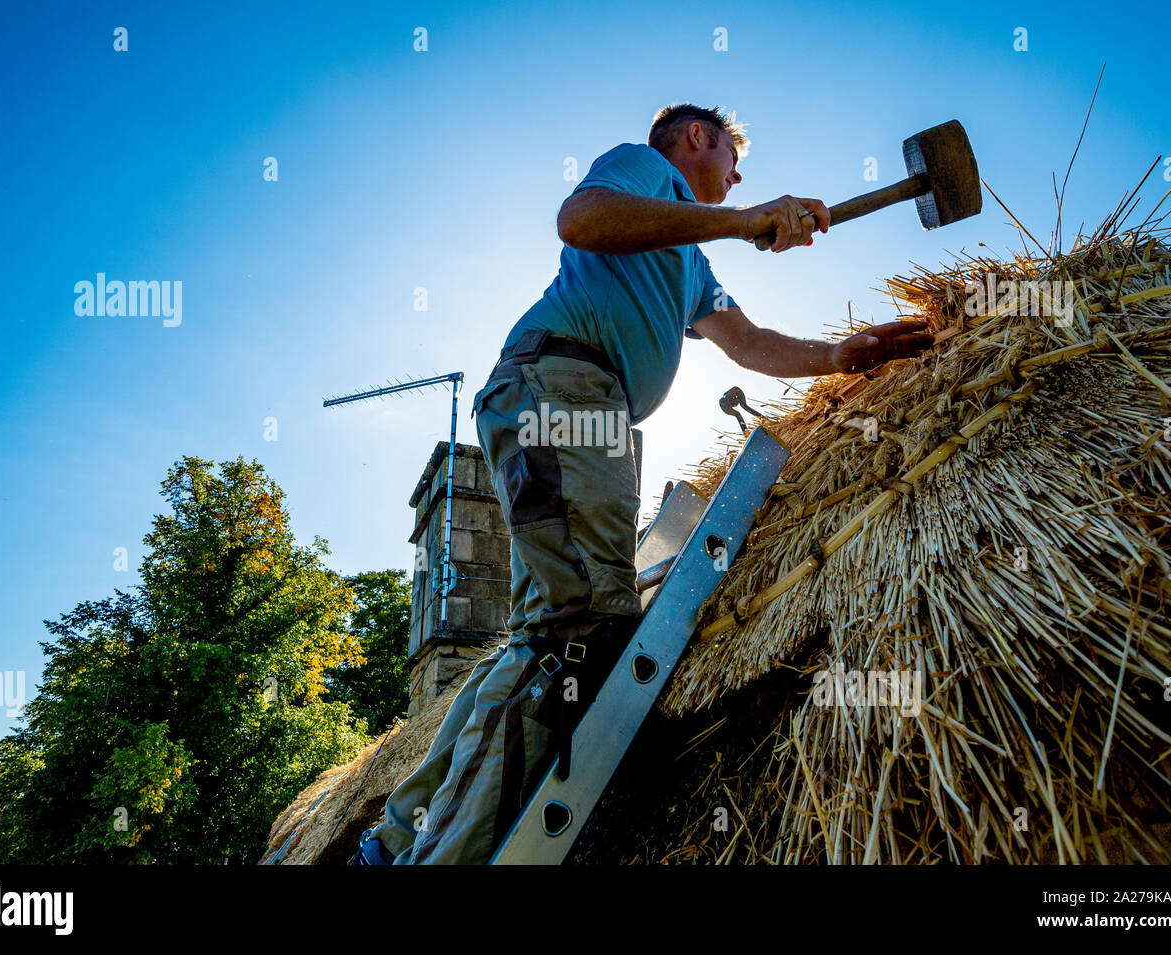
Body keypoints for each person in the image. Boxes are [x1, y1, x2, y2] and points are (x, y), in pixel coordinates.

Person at [357, 103, 934, 864]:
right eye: (734, 157)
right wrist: (743, 219)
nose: (739, 176)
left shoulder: (693, 264)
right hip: (565, 391)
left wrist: (839, 355)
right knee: (581, 636)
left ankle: (397, 836)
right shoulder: (645, 167)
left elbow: (751, 342)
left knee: (546, 635)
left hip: (586, 410)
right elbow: (581, 218)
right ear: (696, 137)